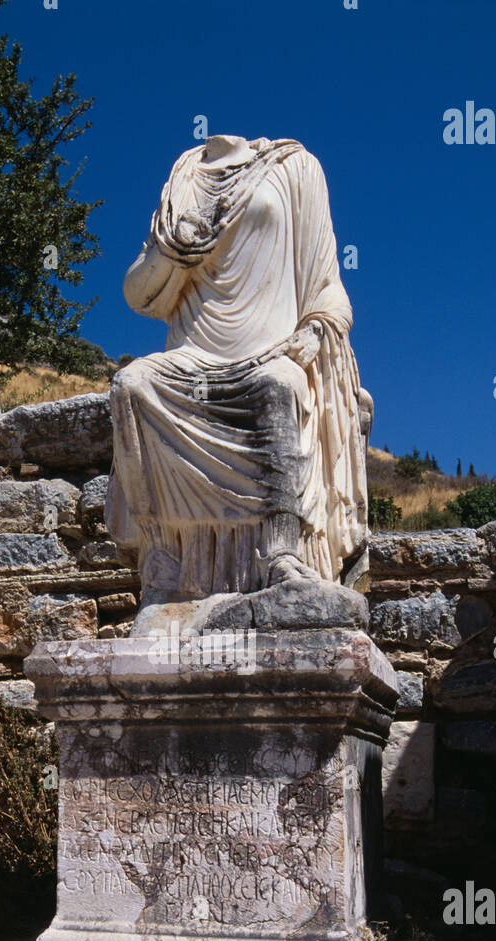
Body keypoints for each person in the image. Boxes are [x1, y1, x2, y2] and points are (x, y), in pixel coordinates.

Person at [106, 134, 372, 607]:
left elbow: (328, 282)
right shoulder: (184, 179)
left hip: (270, 352)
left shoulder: (293, 167)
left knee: (279, 384)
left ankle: (281, 553)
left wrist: (315, 330)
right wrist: (171, 254)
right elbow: (139, 296)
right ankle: (163, 560)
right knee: (131, 384)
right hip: (192, 357)